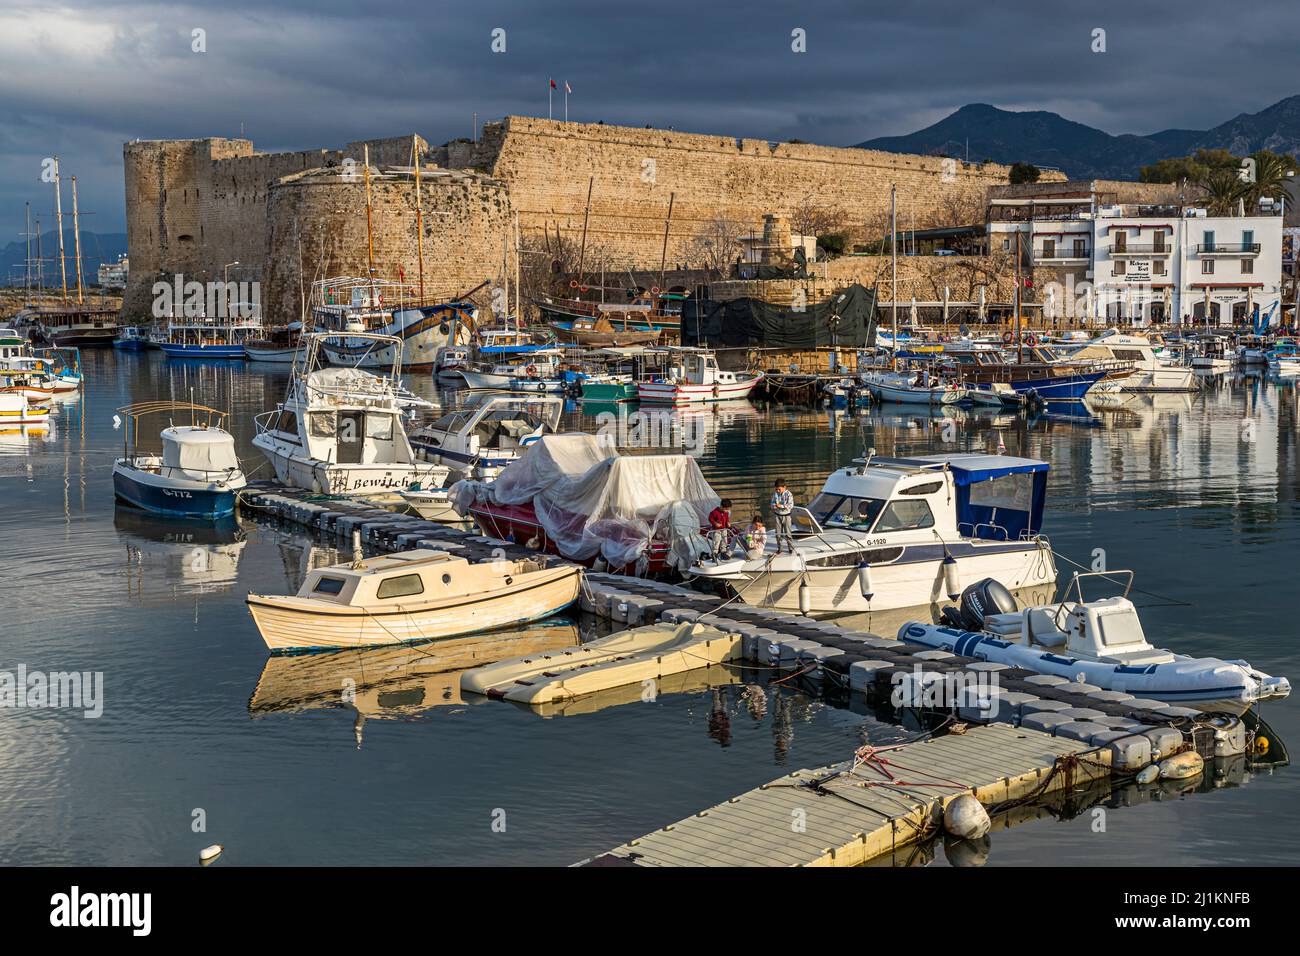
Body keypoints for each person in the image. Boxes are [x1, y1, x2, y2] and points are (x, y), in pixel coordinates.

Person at [771, 479, 795, 553]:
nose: (778, 491)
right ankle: (780, 548)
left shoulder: (789, 494)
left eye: (779, 489)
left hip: (787, 516)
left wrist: (780, 506)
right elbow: (772, 504)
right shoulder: (775, 494)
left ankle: (790, 548)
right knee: (778, 534)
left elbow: (790, 506)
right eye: (776, 489)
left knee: (788, 533)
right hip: (777, 516)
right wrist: (775, 506)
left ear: (784, 487)